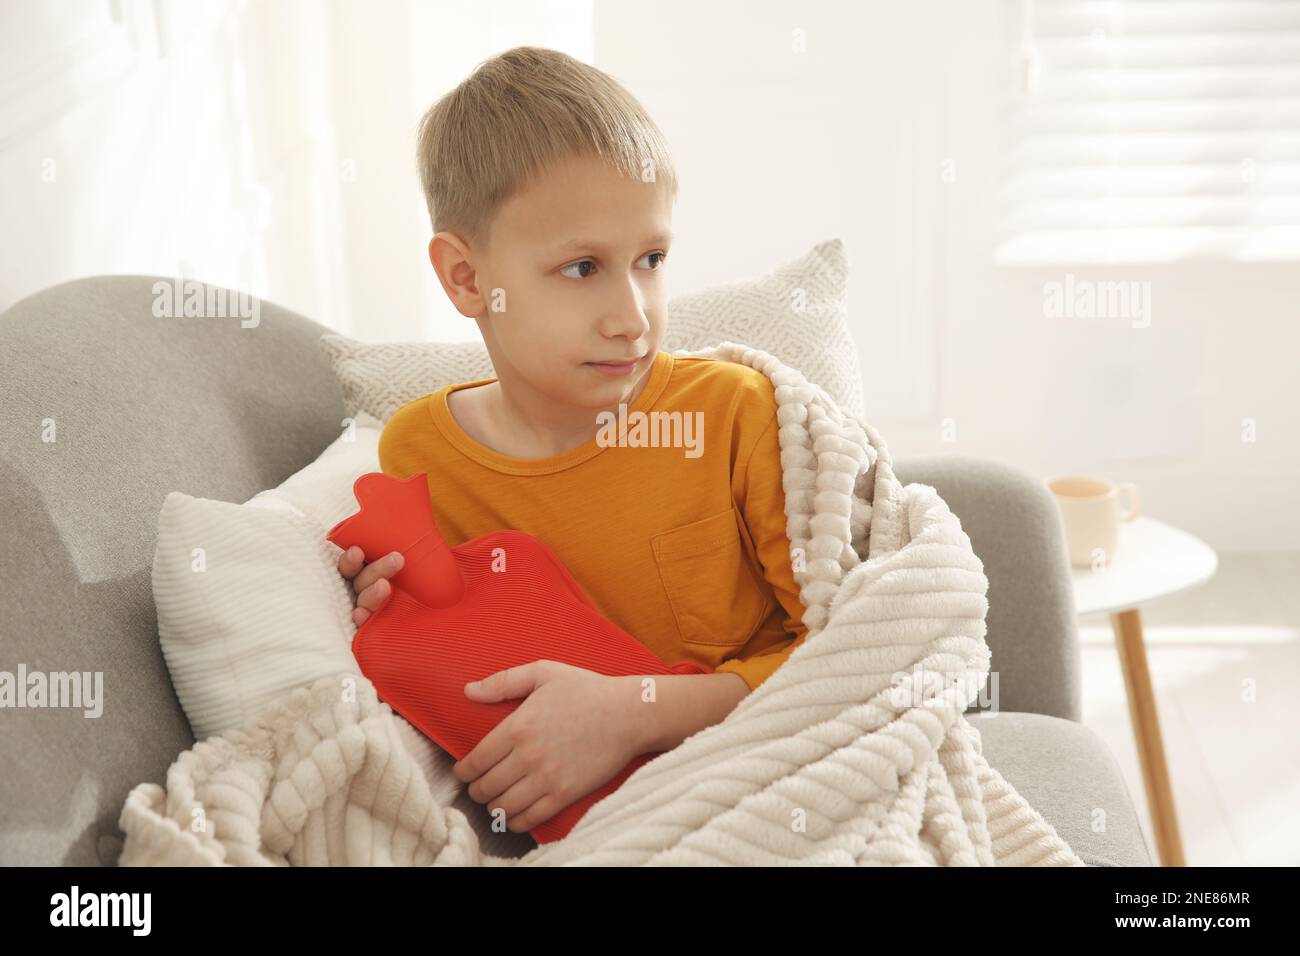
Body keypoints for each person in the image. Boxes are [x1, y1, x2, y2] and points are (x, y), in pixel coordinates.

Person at [337, 46, 807, 840]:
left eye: (651, 260)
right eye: (583, 266)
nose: (633, 315)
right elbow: (473, 681)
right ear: (464, 279)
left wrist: (636, 712)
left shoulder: (733, 415)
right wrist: (390, 616)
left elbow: (849, 658)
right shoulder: (420, 456)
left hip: (772, 780)